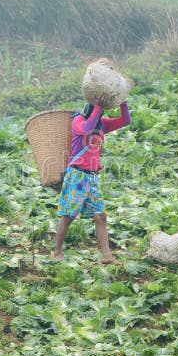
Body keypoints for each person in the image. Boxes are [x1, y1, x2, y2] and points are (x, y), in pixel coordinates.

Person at [53, 101, 130, 264]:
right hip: (77, 176)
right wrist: (99, 106)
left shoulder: (101, 124)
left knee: (100, 216)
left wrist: (123, 103)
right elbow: (87, 128)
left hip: (92, 177)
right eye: (97, 110)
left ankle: (107, 256)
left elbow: (125, 121)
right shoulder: (78, 121)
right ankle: (57, 252)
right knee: (68, 216)